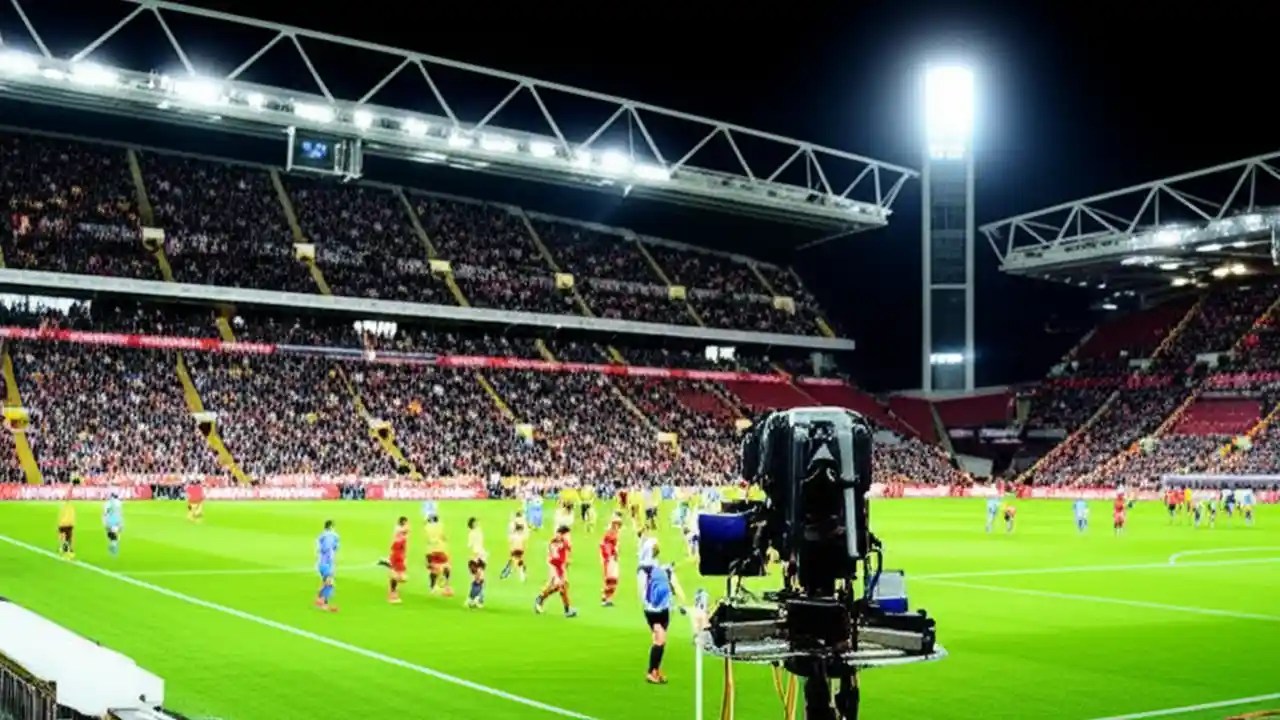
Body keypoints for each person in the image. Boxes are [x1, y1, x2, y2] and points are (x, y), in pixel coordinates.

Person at [638, 538, 687, 685]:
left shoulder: (663, 569)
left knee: (660, 640)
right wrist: (648, 604)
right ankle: (651, 672)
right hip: (653, 611)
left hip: (665, 609)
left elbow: (675, 585)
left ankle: (655, 670)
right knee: (660, 638)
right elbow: (642, 591)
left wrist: (683, 602)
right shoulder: (644, 570)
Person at [534, 525, 577, 618]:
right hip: (554, 566)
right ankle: (540, 599)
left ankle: (567, 609)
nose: (569, 537)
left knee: (563, 587)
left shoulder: (562, 541)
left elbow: (567, 553)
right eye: (567, 535)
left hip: (560, 566)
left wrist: (566, 561)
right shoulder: (556, 541)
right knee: (559, 586)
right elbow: (554, 553)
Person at [376, 516, 409, 604]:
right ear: (403, 522)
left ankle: (387, 563)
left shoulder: (403, 534)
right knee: (397, 576)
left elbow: (404, 544)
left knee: (402, 578)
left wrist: (404, 556)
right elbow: (401, 532)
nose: (408, 525)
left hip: (400, 555)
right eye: (406, 522)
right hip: (397, 554)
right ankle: (392, 595)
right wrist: (405, 529)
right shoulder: (398, 529)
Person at [314, 520, 339, 612]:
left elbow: (320, 548)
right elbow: (333, 548)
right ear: (331, 526)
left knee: (326, 582)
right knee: (329, 583)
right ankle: (323, 603)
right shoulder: (333, 536)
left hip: (322, 563)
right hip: (327, 563)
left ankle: (319, 600)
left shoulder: (321, 535)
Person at [425, 515, 453, 597]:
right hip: (439, 550)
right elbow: (443, 536)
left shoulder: (427, 527)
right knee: (447, 567)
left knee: (433, 570)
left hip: (430, 550)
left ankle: (433, 587)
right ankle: (446, 586)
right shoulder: (440, 526)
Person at [465, 517, 487, 609]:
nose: (477, 523)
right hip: (477, 557)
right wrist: (476, 557)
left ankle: (475, 599)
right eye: (475, 522)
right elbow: (471, 546)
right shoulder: (473, 533)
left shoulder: (477, 531)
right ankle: (474, 599)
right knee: (479, 579)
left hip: (481, 557)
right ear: (472, 524)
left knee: (480, 579)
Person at [600, 515, 622, 607]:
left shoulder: (615, 533)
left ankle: (607, 597)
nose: (617, 526)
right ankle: (605, 597)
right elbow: (605, 546)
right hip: (609, 558)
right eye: (616, 523)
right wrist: (610, 556)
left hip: (612, 558)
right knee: (611, 578)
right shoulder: (610, 534)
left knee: (613, 579)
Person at [501, 514, 529, 582]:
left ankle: (508, 573)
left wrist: (510, 550)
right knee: (518, 562)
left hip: (515, 550)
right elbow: (524, 543)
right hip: (520, 550)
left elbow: (511, 542)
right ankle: (520, 573)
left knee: (515, 563)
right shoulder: (522, 535)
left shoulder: (513, 535)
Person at [102, 492, 124, 556]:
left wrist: (104, 520)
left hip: (110, 519)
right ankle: (114, 544)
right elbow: (120, 512)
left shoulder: (107, 503)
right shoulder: (119, 502)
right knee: (117, 531)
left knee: (110, 532)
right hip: (117, 519)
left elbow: (105, 513)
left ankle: (113, 544)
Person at [56, 495, 76, 559]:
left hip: (65, 524)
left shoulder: (64, 505)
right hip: (66, 524)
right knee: (67, 539)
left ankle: (64, 549)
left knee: (65, 538)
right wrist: (71, 485)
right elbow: (68, 495)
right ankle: (68, 551)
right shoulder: (66, 504)